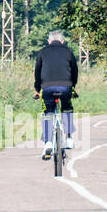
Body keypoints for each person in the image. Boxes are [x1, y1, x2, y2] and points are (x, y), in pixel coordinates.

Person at [33, 29, 78, 160]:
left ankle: (47, 142)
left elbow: (37, 73)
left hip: (47, 88)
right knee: (67, 108)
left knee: (47, 113)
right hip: (66, 87)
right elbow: (75, 71)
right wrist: (73, 87)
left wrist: (37, 89)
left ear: (49, 41)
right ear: (62, 41)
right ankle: (69, 138)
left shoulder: (42, 52)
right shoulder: (68, 51)